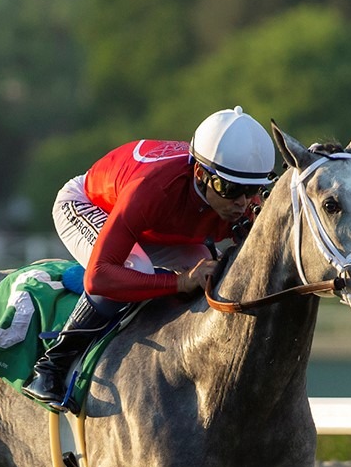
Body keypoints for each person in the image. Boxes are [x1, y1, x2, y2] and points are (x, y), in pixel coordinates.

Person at [21, 106, 277, 408]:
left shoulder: (240, 198)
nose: (243, 203)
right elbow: (101, 275)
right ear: (200, 174)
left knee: (213, 274)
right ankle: (50, 367)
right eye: (231, 189)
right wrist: (179, 282)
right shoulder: (153, 187)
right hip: (90, 204)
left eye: (253, 189)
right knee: (138, 268)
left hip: (159, 225)